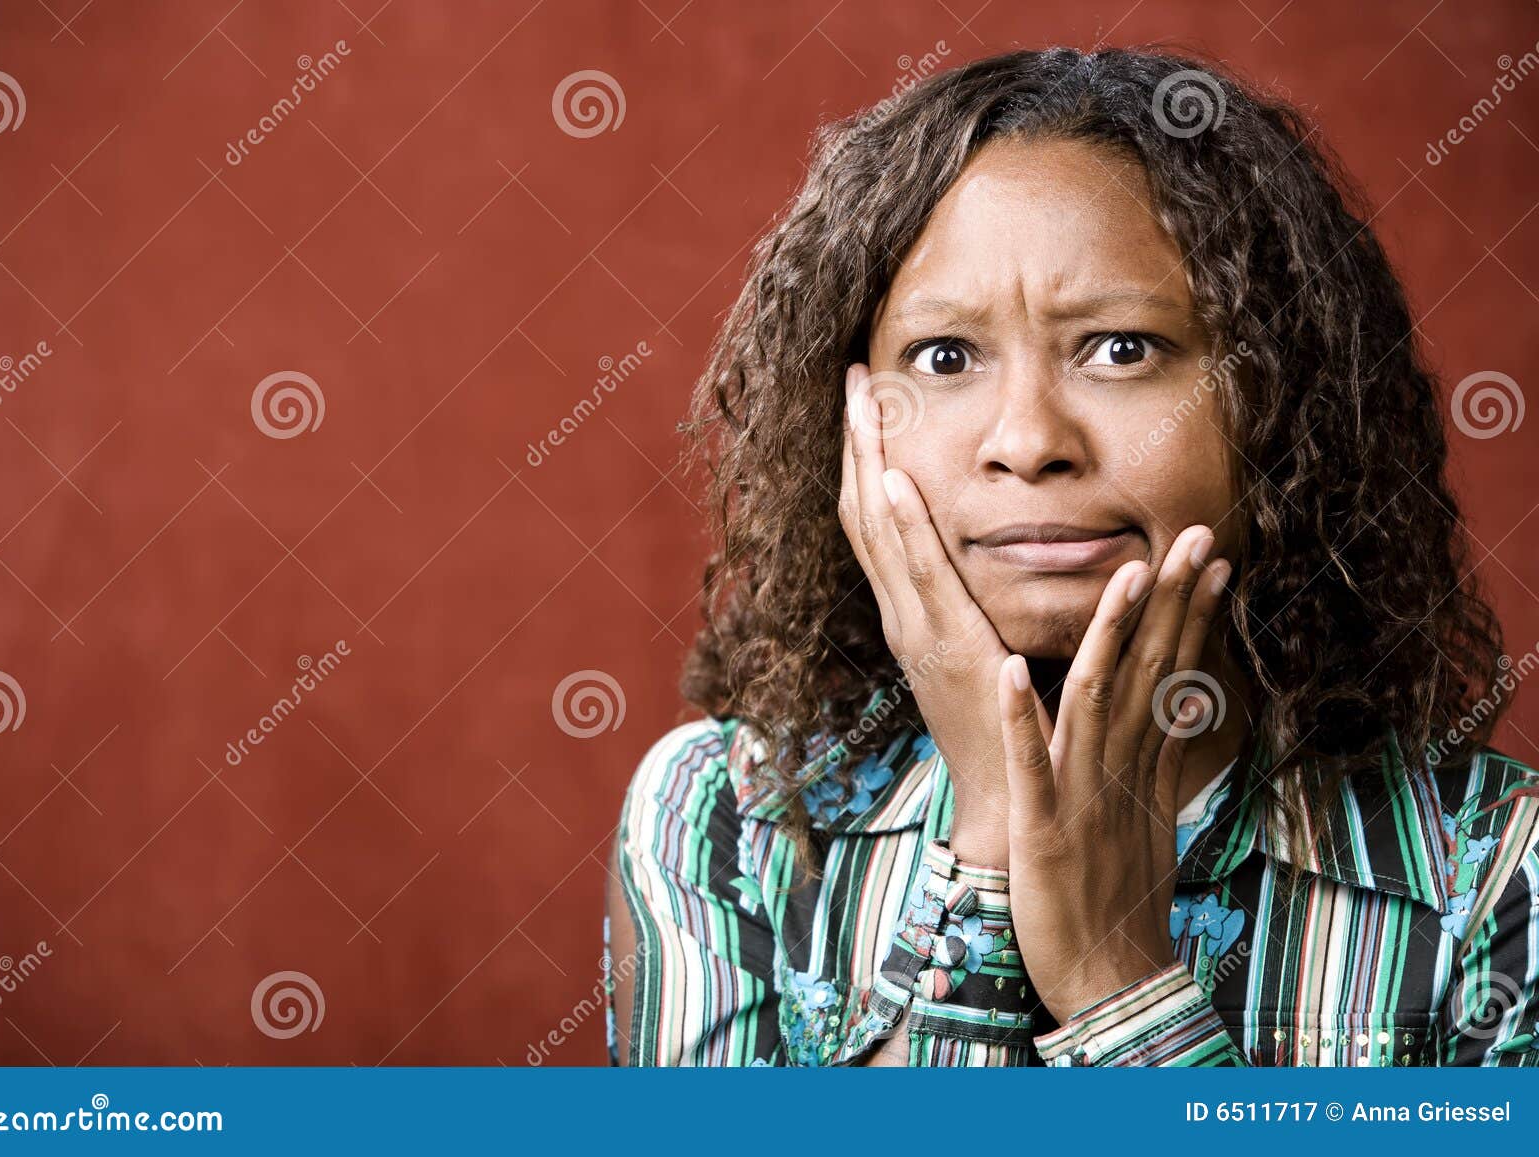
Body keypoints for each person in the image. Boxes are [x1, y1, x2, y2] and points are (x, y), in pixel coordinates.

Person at [600, 45, 1539, 1067]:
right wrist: (990, 841)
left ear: (1276, 398)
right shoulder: (725, 824)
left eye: (1121, 347)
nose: (1028, 438)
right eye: (944, 357)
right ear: (853, 419)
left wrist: (1114, 982)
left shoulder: (1497, 873)